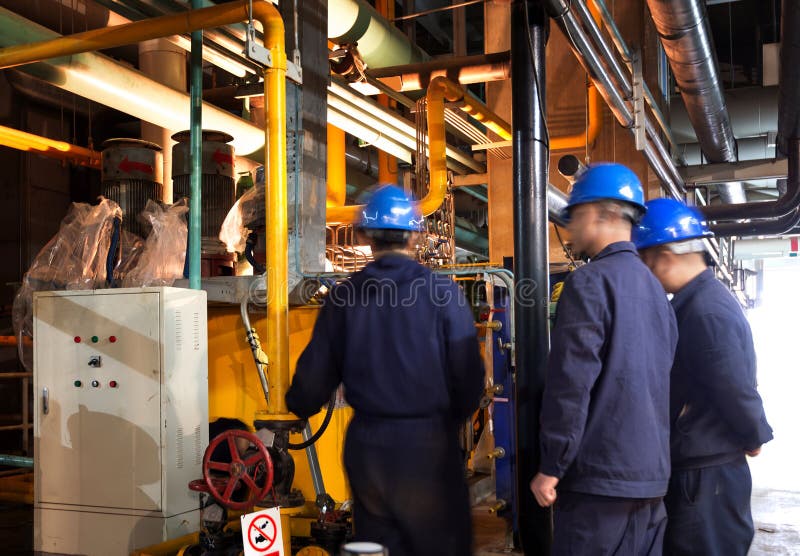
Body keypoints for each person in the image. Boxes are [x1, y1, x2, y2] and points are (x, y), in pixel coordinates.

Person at [285, 184, 485, 556]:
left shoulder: (344, 297)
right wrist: (442, 425)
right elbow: (470, 381)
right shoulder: (443, 293)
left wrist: (293, 407)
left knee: (376, 548)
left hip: (369, 450)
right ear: (414, 235)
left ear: (364, 236)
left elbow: (312, 383)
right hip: (427, 447)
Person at [529, 163, 678, 555]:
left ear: (602, 214)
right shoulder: (657, 292)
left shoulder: (588, 282)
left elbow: (571, 385)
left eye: (576, 215)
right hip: (651, 482)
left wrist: (551, 467)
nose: (571, 228)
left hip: (599, 486)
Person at [633, 197, 773, 556]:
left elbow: (733, 386)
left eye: (646, 261)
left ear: (666, 256)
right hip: (702, 471)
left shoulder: (704, 311)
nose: (646, 273)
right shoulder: (695, 302)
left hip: (707, 477)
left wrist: (754, 433)